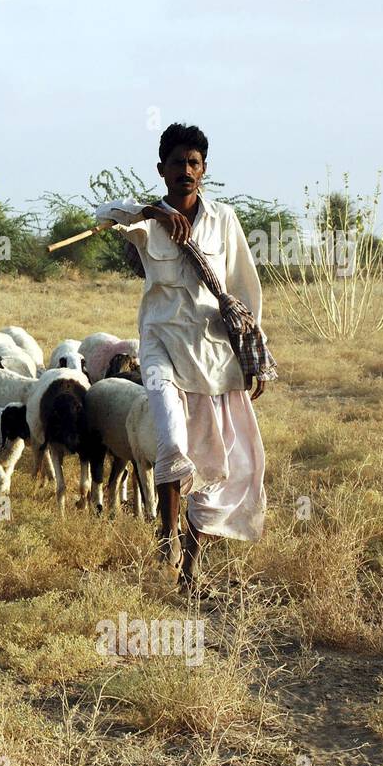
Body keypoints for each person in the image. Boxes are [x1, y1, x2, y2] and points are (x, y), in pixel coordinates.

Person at [94, 123, 269, 589]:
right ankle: (166, 534)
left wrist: (252, 354)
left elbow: (244, 287)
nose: (186, 171)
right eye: (177, 163)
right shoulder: (145, 221)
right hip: (160, 348)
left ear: (204, 169)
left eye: (194, 163)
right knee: (171, 442)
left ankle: (190, 562)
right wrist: (154, 211)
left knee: (215, 464)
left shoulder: (223, 219)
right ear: (162, 170)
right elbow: (102, 212)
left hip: (213, 354)